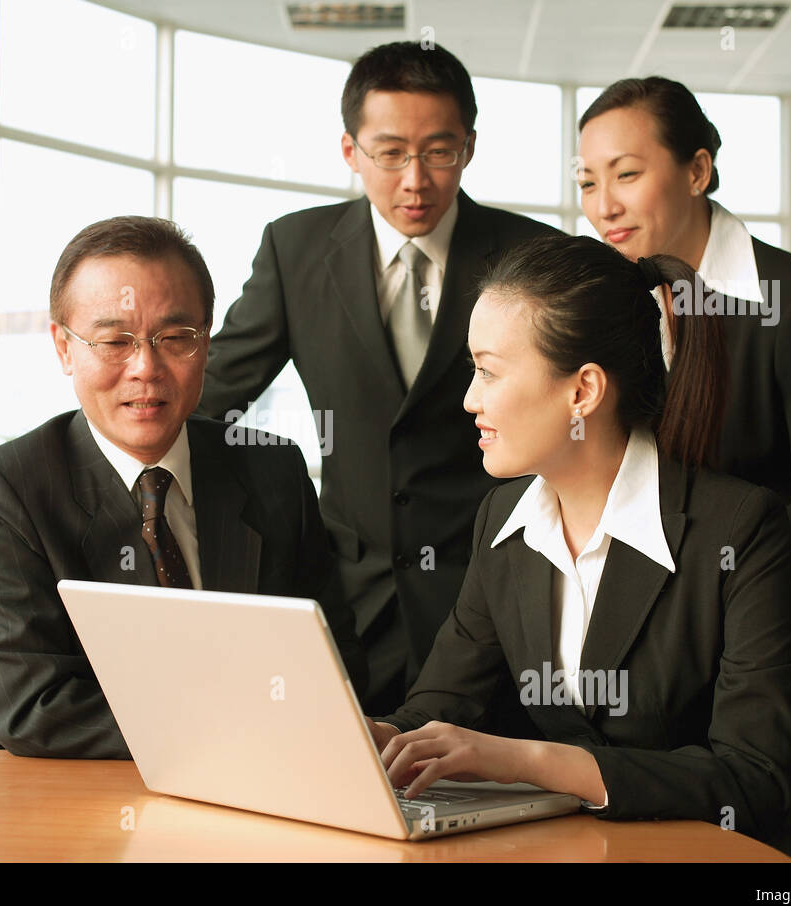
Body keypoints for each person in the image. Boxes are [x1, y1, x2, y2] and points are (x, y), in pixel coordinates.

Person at [368, 234, 791, 858]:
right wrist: (364, 734)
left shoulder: (737, 527)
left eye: (489, 372)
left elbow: (756, 778)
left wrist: (531, 761)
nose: (470, 400)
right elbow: (437, 713)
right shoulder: (504, 520)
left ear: (583, 392)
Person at [197, 41, 558, 715]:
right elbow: (214, 394)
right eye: (389, 152)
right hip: (349, 598)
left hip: (497, 594)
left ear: (470, 147)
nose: (414, 179)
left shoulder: (532, 254)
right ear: (350, 151)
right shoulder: (295, 247)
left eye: (438, 151)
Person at [0, 215, 368, 758]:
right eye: (114, 341)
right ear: (63, 348)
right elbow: (29, 706)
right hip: (90, 812)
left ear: (207, 341)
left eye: (175, 338)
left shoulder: (272, 470)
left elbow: (336, 664)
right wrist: (241, 729)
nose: (146, 368)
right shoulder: (7, 490)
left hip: (270, 795)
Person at [576, 76, 791, 575]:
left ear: (697, 171)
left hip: (755, 609)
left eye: (627, 174)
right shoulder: (606, 300)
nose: (604, 205)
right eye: (588, 182)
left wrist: (720, 567)